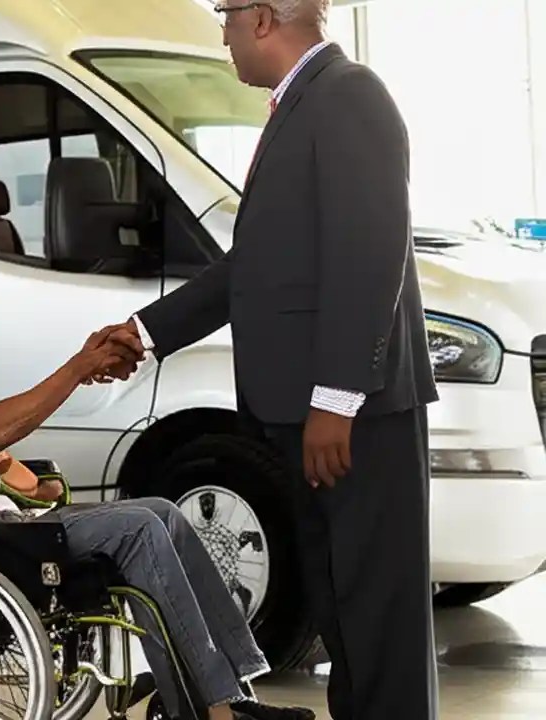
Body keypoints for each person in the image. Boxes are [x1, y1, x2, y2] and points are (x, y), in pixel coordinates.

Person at [97, 2, 440, 719]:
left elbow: (370, 254)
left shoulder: (350, 96)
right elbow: (253, 267)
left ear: (261, 18)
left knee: (378, 614)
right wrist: (145, 331)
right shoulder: (300, 107)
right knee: (341, 611)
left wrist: (337, 398)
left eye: (225, 14)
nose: (221, 32)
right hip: (304, 413)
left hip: (356, 416)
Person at [0, 241, 314, 720]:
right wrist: (77, 367)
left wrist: (37, 487)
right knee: (140, 528)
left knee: (164, 513)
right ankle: (212, 712)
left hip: (2, 521)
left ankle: (235, 694)